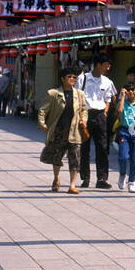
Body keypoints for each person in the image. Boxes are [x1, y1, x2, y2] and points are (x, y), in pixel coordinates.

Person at [39, 65, 88, 193]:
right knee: (57, 157)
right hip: (59, 131)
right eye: (69, 76)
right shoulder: (54, 94)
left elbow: (84, 110)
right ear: (62, 78)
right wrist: (42, 124)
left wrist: (84, 120)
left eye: (74, 77)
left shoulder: (79, 94)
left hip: (75, 131)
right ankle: (56, 178)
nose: (72, 79)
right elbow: (42, 110)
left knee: (75, 158)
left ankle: (72, 185)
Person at [77, 55, 116, 189]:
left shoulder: (107, 81)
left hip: (100, 116)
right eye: (106, 65)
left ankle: (102, 179)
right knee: (84, 148)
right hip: (85, 115)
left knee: (103, 148)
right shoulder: (83, 78)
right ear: (98, 64)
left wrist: (105, 111)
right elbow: (77, 97)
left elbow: (109, 98)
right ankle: (85, 178)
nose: (108, 68)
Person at [115, 81, 135, 192]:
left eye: (132, 89)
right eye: (127, 90)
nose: (130, 92)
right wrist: (123, 97)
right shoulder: (122, 103)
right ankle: (122, 174)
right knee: (123, 156)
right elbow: (119, 112)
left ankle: (132, 181)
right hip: (125, 131)